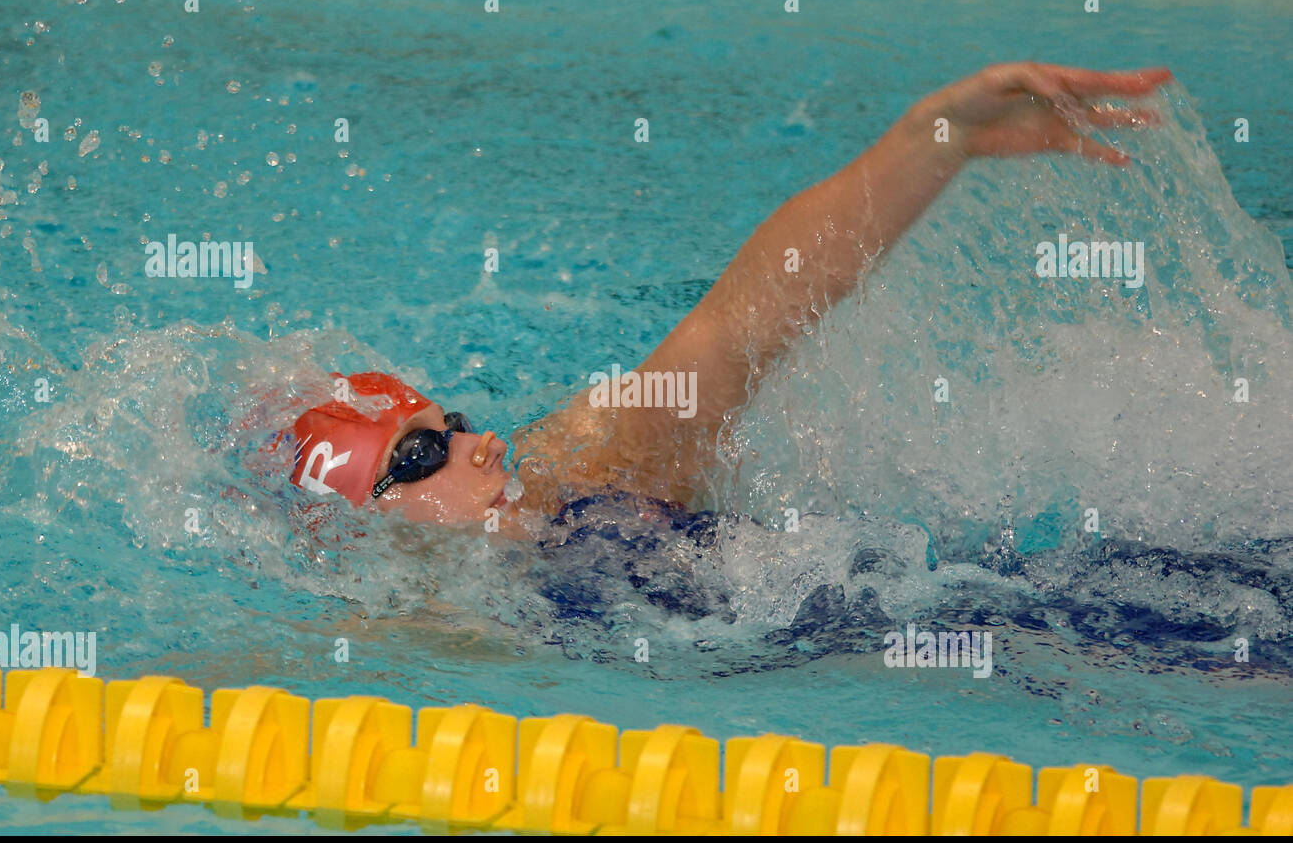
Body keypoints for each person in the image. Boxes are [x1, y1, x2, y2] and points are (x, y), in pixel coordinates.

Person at [287, 62, 1171, 531]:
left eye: (456, 424)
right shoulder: (409, 639)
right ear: (372, 524)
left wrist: (934, 142)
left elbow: (738, 323)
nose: (479, 447)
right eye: (417, 458)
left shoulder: (589, 468)